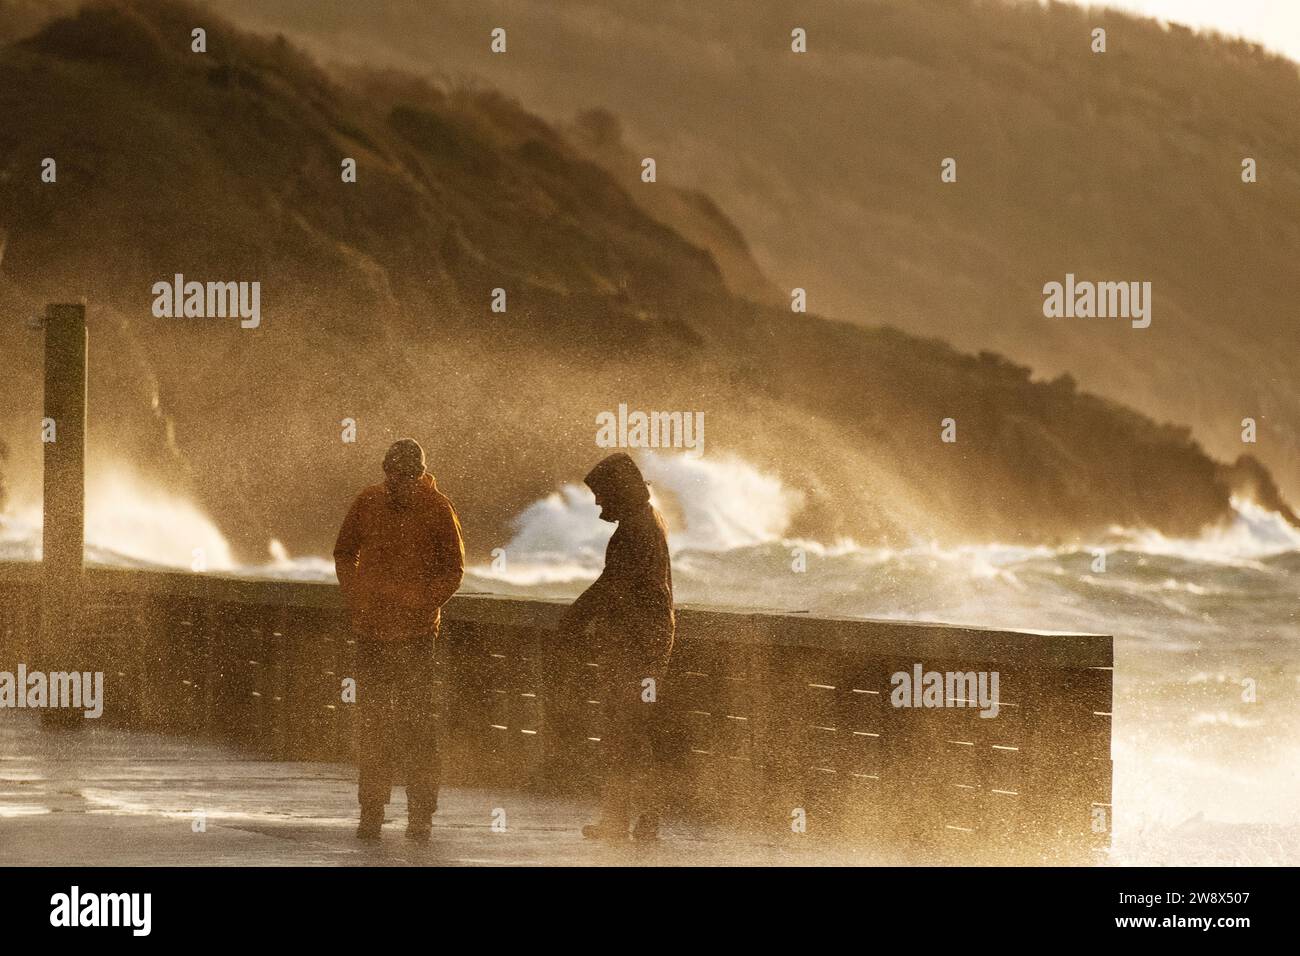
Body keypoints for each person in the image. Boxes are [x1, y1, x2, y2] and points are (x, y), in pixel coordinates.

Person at [333, 438, 465, 844]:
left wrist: (423, 602)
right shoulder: (368, 501)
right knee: (373, 724)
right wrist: (357, 596)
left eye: (407, 477)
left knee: (417, 726)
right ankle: (371, 811)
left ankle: (421, 814)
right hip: (371, 632)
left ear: (420, 475)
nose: (399, 484)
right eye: (393, 476)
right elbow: (344, 552)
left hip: (416, 635)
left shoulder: (439, 508)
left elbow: (454, 569)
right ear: (386, 472)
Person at [558, 452, 675, 842]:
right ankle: (635, 819)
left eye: (602, 494)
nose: (598, 503)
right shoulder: (646, 520)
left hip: (636, 645)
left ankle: (628, 820)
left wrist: (574, 619)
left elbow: (613, 584)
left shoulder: (635, 530)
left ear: (619, 491)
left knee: (625, 733)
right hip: (646, 640)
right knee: (631, 732)